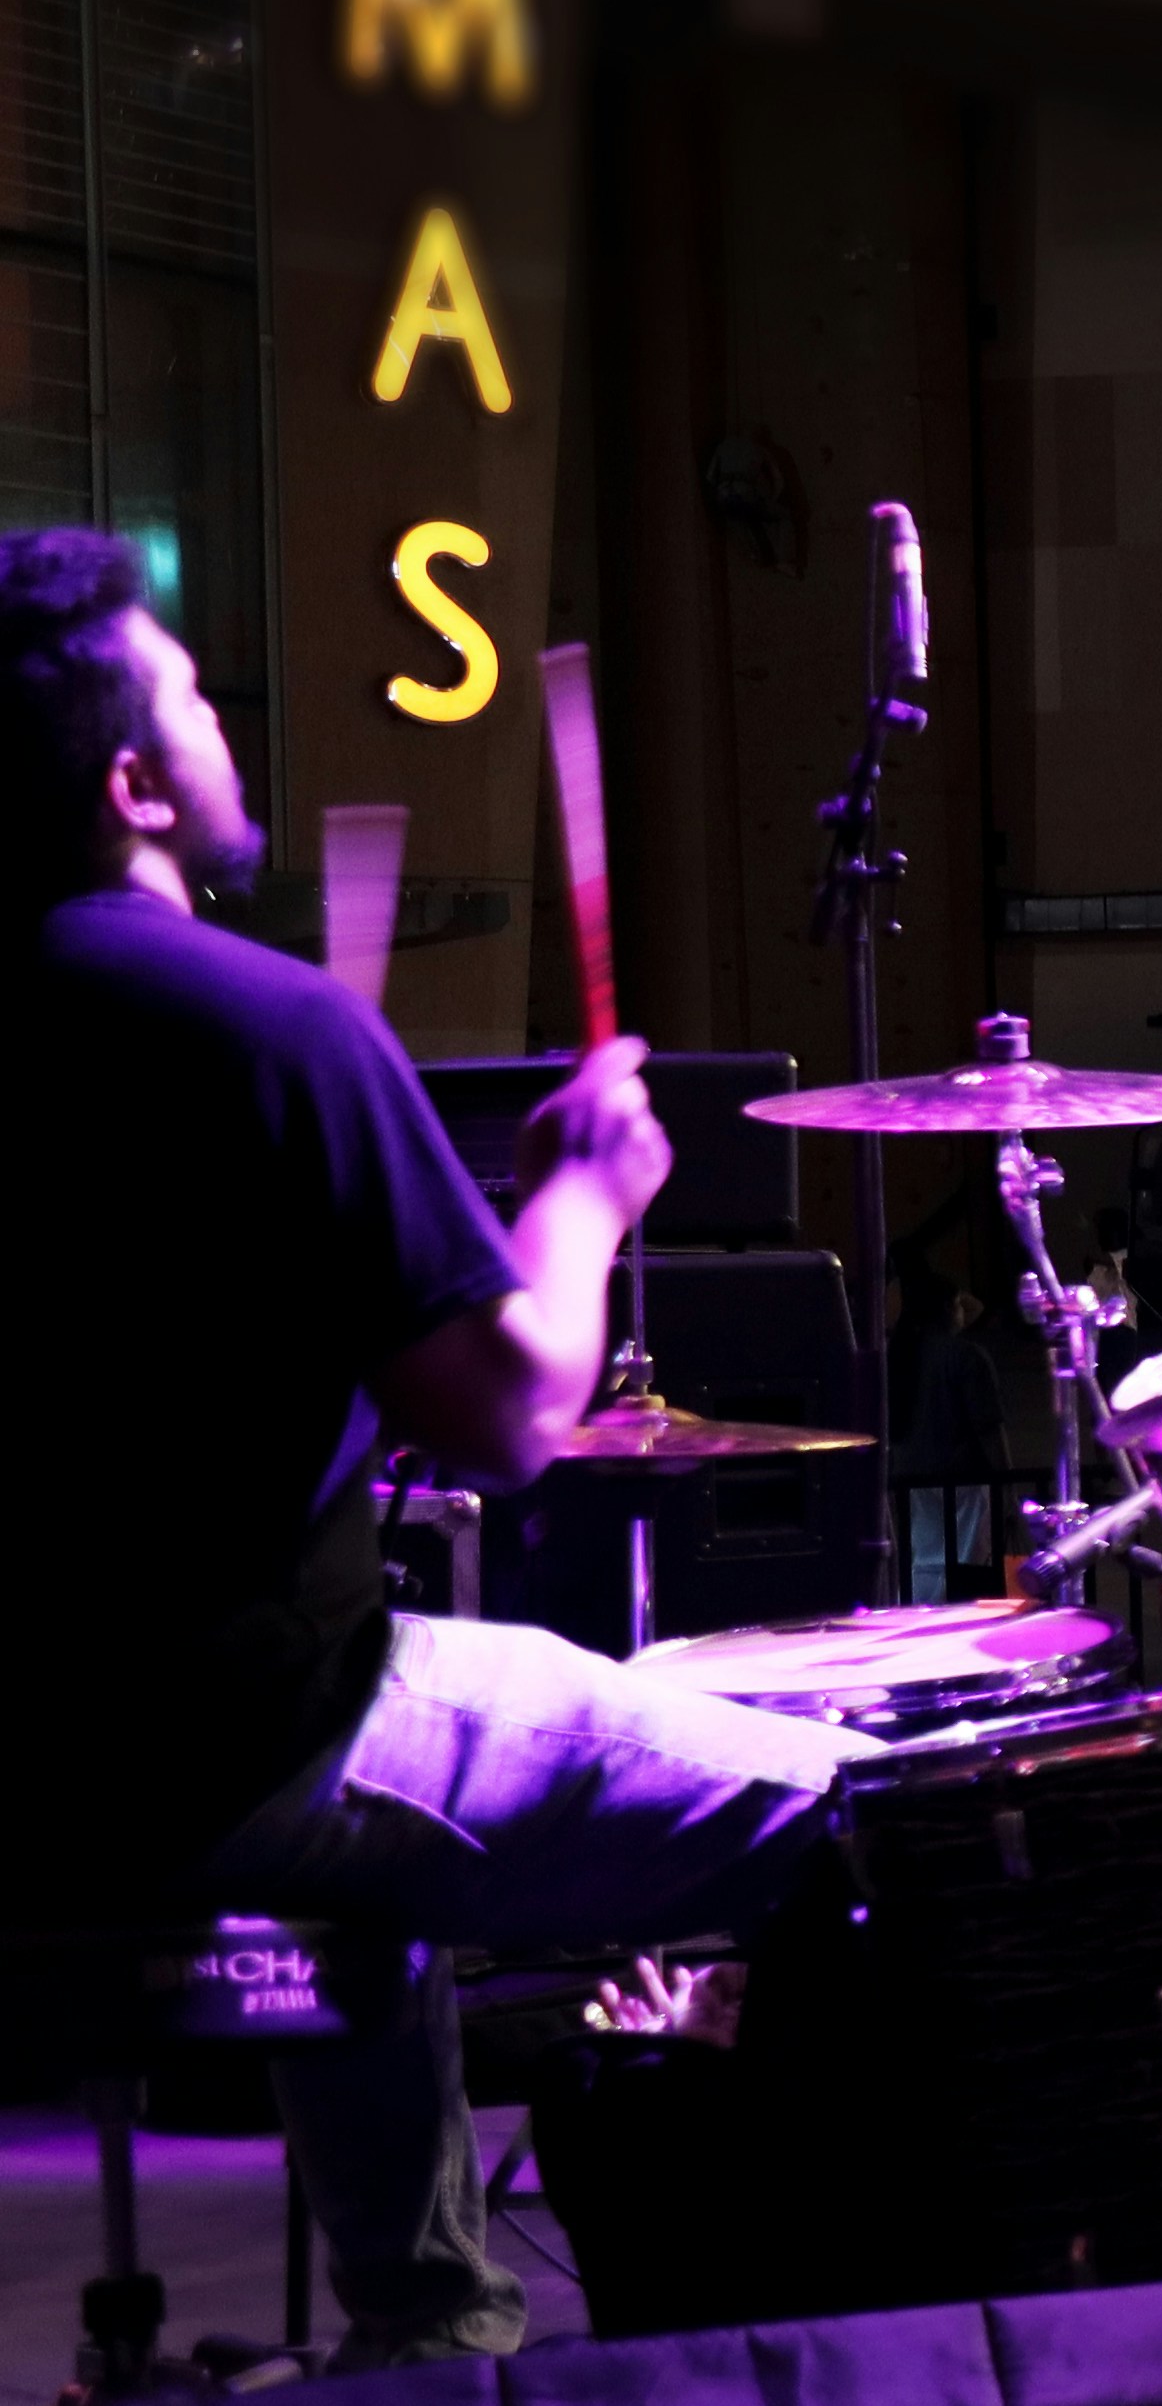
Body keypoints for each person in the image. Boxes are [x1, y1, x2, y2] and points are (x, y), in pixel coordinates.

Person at [0, 530, 872, 2363]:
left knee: (384, 1878)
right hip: (234, 1751)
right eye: (194, 698)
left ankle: (431, 2330)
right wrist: (588, 1193)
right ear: (135, 781)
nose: (230, 726)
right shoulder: (264, 1026)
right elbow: (511, 1417)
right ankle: (797, 2320)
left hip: (34, 1772)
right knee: (854, 1823)